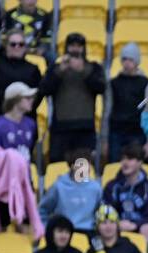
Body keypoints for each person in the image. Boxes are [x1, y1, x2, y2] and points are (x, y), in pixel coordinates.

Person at [0, 81, 42, 238]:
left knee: (24, 224)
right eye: (27, 98)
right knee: (2, 225)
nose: (31, 101)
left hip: (24, 180)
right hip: (4, 182)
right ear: (16, 100)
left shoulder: (30, 124)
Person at [39, 32, 106, 163]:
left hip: (85, 129)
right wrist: (59, 72)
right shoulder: (56, 68)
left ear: (84, 48)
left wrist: (83, 70)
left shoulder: (94, 67)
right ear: (66, 47)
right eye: (72, 46)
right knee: (58, 169)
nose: (75, 49)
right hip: (60, 129)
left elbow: (100, 87)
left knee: (81, 174)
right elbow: (44, 89)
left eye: (79, 46)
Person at [0, 27, 43, 130]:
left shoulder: (33, 69)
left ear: (25, 47)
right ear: (6, 46)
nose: (17, 47)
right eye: (13, 44)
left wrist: (23, 105)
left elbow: (39, 93)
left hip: (25, 121)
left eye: (21, 44)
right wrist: (12, 100)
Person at [101, 142, 148, 238]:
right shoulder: (112, 186)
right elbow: (105, 211)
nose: (124, 163)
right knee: (107, 225)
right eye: (123, 159)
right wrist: (117, 223)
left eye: (130, 159)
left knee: (146, 228)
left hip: (139, 227)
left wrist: (135, 224)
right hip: (118, 227)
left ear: (140, 162)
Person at [107, 44, 148, 165]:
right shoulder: (113, 83)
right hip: (116, 132)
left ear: (137, 61)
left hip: (138, 132)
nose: (127, 63)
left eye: (130, 59)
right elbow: (107, 110)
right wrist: (104, 139)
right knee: (115, 166)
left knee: (136, 166)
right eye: (124, 59)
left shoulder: (147, 84)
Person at [38, 149, 102, 234]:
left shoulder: (96, 187)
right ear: (72, 166)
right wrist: (46, 228)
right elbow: (43, 210)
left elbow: (100, 211)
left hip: (89, 232)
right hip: (63, 231)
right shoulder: (58, 186)